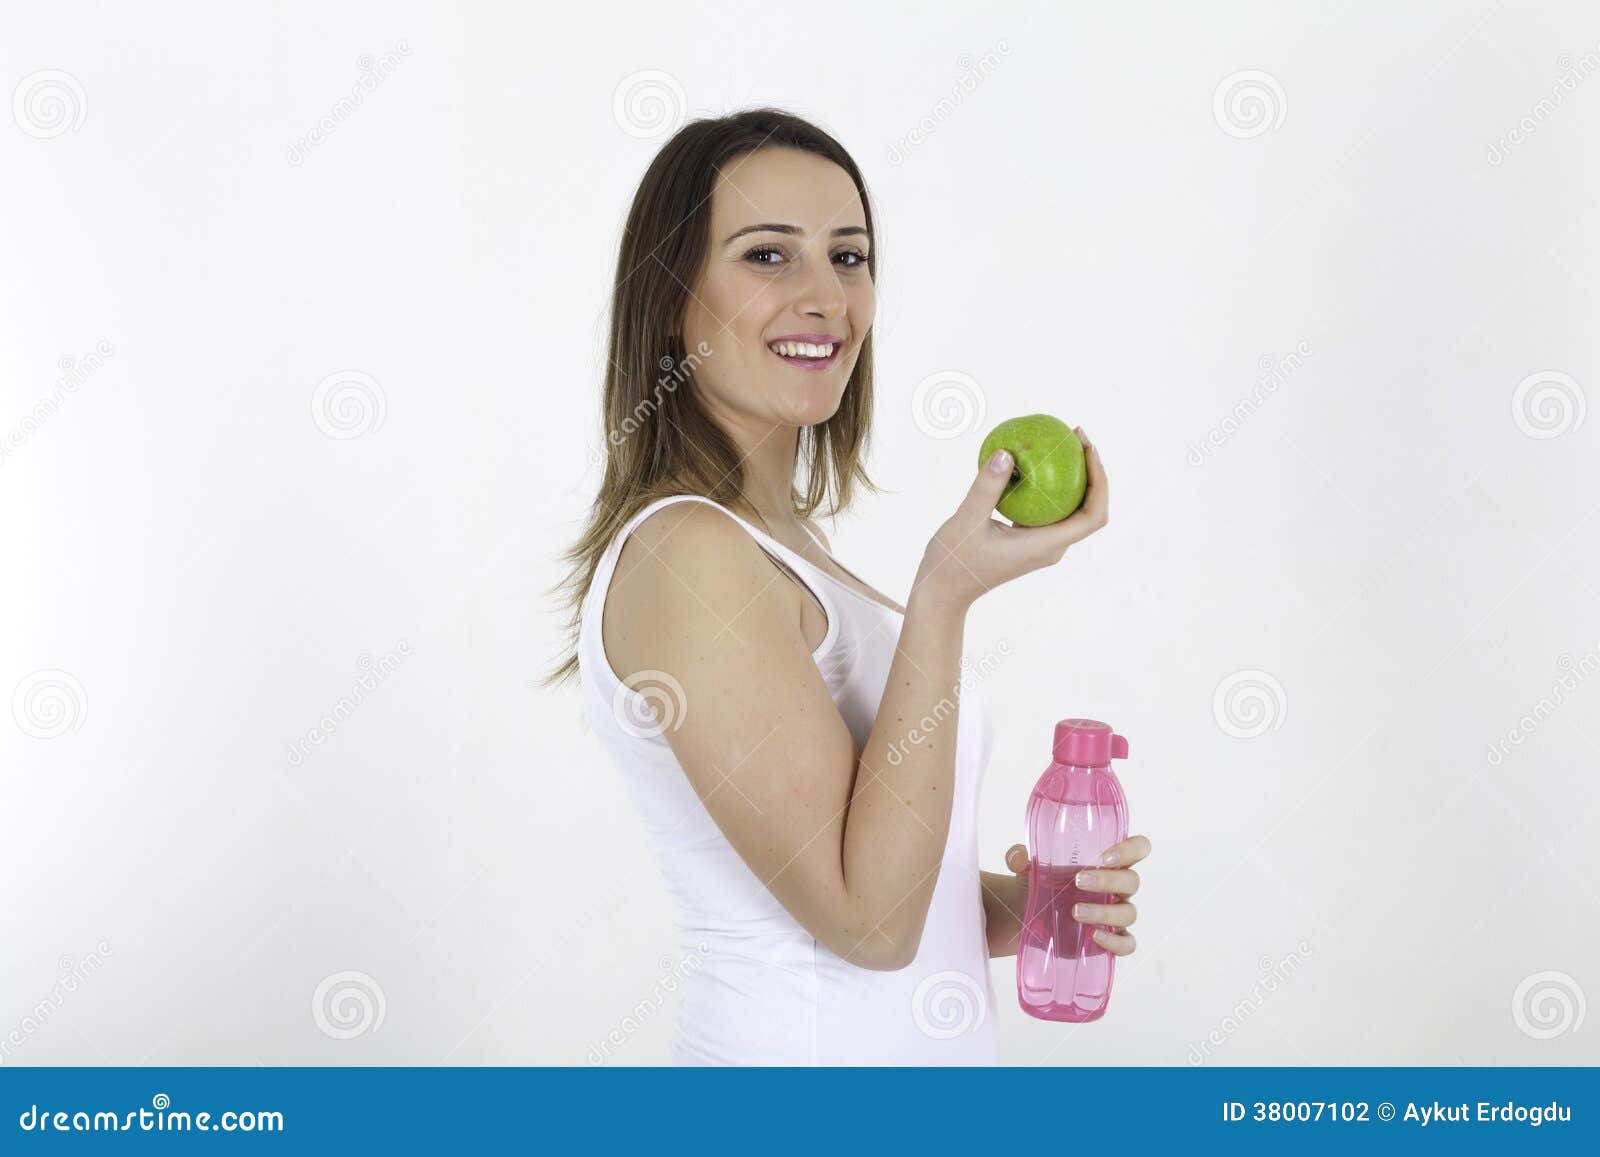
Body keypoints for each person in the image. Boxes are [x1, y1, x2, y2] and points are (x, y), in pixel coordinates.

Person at [545, 107, 1150, 1064]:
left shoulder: (787, 548)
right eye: (767, 256)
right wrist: (945, 596)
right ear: (670, 299)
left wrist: (1025, 904)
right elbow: (867, 923)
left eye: (850, 256)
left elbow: (893, 887)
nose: (827, 296)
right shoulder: (689, 555)